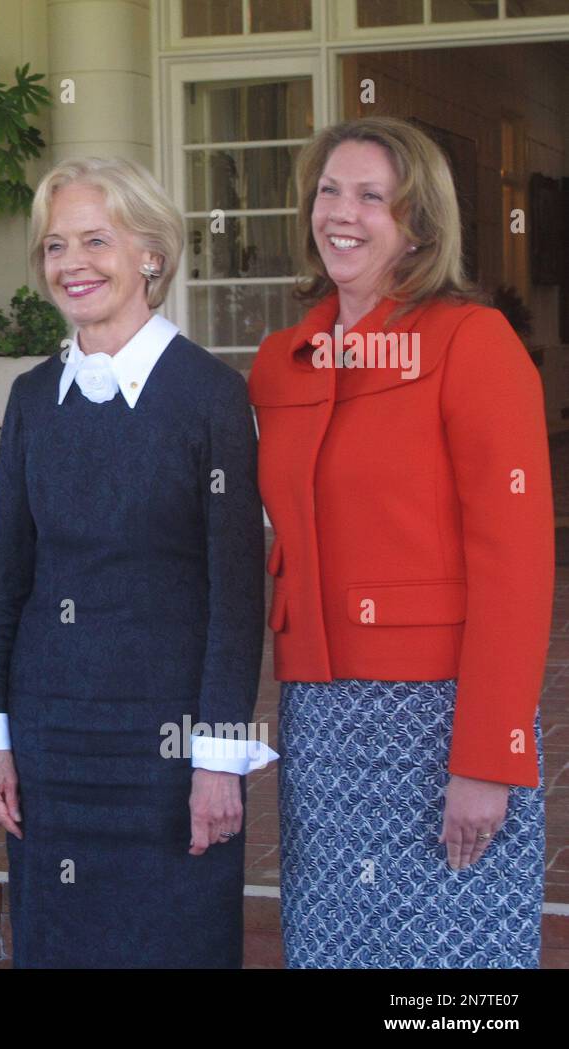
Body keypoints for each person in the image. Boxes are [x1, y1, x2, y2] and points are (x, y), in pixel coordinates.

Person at [249, 116, 551, 968]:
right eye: (329, 191)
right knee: (335, 944)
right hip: (321, 720)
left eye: (371, 196)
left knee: (451, 969)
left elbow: (516, 565)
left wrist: (491, 756)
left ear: (417, 223)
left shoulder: (471, 343)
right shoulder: (282, 361)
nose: (341, 212)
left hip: (442, 717)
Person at [0, 157, 269, 968]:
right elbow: (8, 583)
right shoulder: (33, 398)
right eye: (55, 245)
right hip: (51, 743)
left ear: (149, 253)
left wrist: (217, 760)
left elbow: (235, 597)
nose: (72, 262)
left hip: (167, 751)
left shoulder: (211, 395)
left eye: (95, 239)